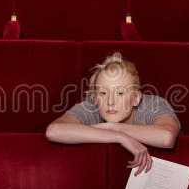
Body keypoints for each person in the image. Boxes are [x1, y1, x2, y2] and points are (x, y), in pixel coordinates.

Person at [45, 52, 180, 174]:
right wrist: (119, 137)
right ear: (94, 98)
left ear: (136, 98)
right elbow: (53, 131)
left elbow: (166, 137)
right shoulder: (91, 107)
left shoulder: (154, 105)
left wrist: (112, 127)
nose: (110, 101)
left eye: (120, 93)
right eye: (103, 93)